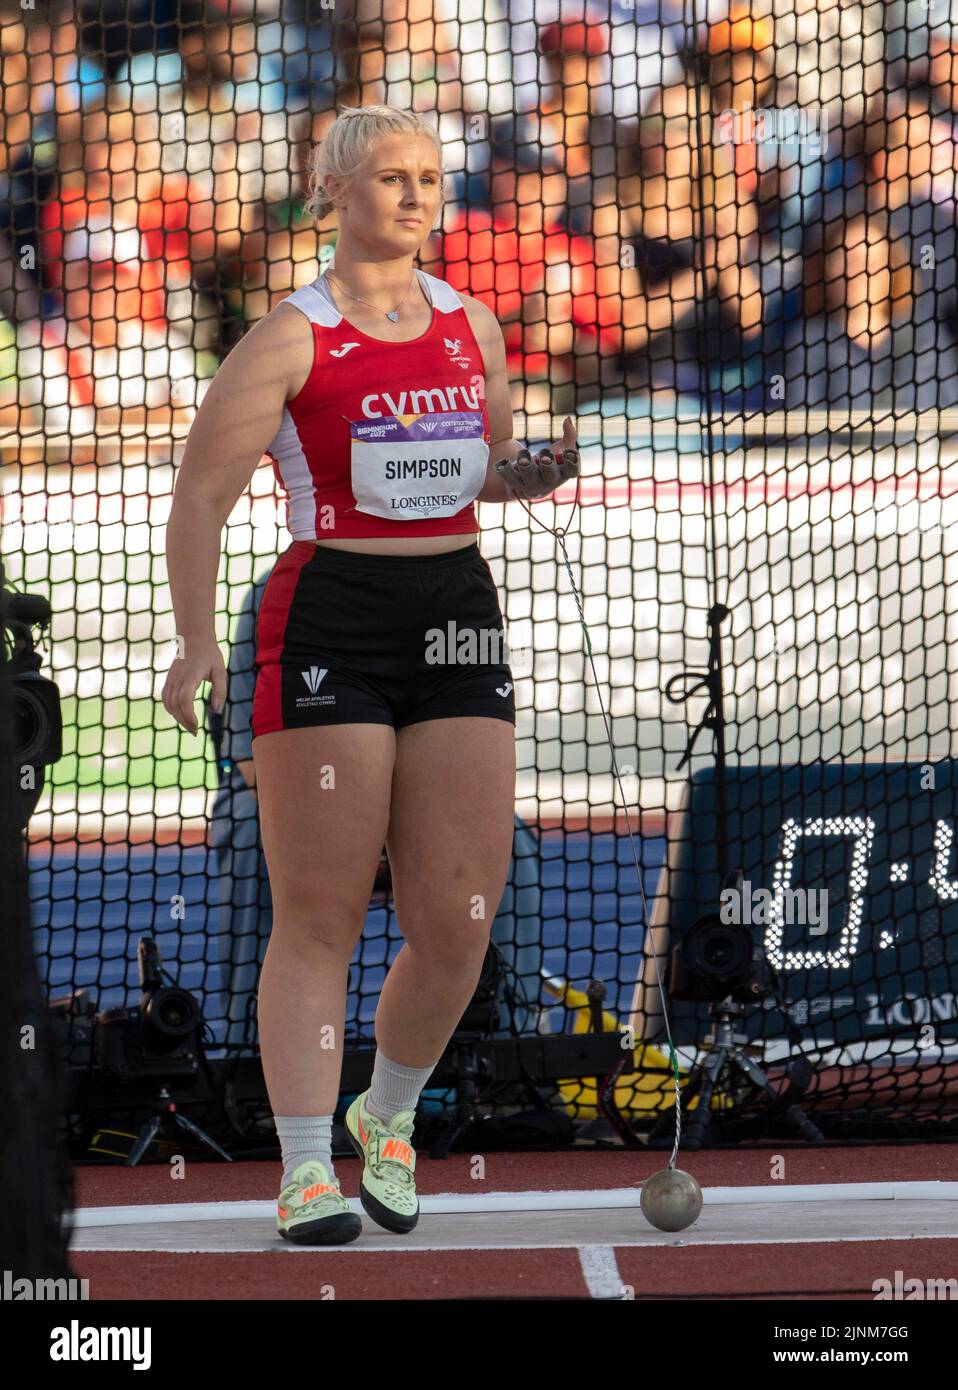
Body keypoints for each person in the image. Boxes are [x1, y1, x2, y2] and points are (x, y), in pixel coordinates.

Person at [162, 103, 578, 1246]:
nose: (413, 196)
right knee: (321, 912)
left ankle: (383, 1118)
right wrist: (197, 642)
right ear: (333, 194)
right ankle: (304, 1170)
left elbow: (470, 471)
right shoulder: (290, 336)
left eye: (429, 179)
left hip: (455, 615)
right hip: (329, 617)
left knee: (459, 916)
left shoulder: (472, 328)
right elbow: (201, 495)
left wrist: (526, 473)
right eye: (389, 178)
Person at [206, 568, 546, 1057]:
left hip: (413, 805)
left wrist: (394, 832)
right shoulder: (276, 592)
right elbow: (250, 762)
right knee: (247, 838)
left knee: (509, 841)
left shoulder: (456, 585)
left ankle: (511, 1051)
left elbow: (466, 763)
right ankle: (251, 1059)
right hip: (301, 800)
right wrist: (356, 831)